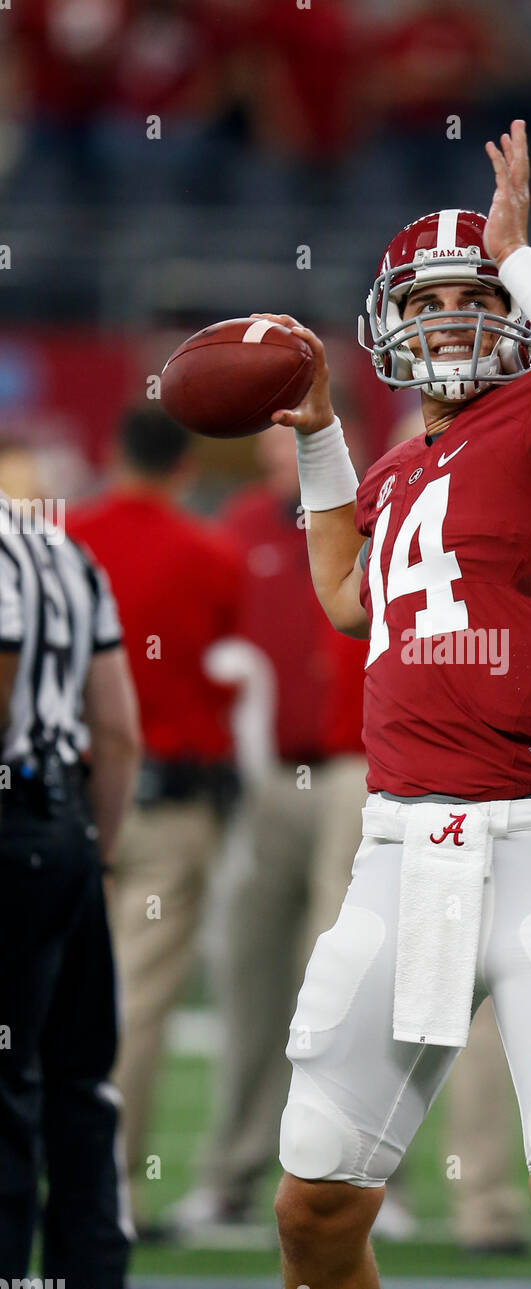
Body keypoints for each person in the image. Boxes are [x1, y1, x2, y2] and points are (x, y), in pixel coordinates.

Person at [261, 119, 531, 1289]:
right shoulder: (397, 469)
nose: (448, 318)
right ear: (392, 319)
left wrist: (522, 258)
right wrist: (326, 438)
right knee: (315, 1208)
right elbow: (345, 597)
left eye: (471, 295)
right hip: (402, 848)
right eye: (427, 301)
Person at [166, 423, 368, 1234]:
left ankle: (359, 1179)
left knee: (346, 988)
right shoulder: (241, 526)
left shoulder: (375, 512)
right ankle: (231, 1171)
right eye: (268, 439)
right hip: (262, 777)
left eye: (287, 436)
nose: (267, 454)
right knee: (250, 983)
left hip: (356, 770)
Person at [67, 407, 243, 1226]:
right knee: (132, 1005)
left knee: (34, 995)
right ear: (185, 469)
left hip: (58, 800)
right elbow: (231, 678)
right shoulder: (209, 553)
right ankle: (106, 1190)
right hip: (167, 805)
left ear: (109, 452)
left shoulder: (57, 541)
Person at [0, 464, 141, 1289]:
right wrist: (100, 854)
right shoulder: (63, 549)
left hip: (13, 820)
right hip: (69, 829)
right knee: (78, 1079)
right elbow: (118, 732)